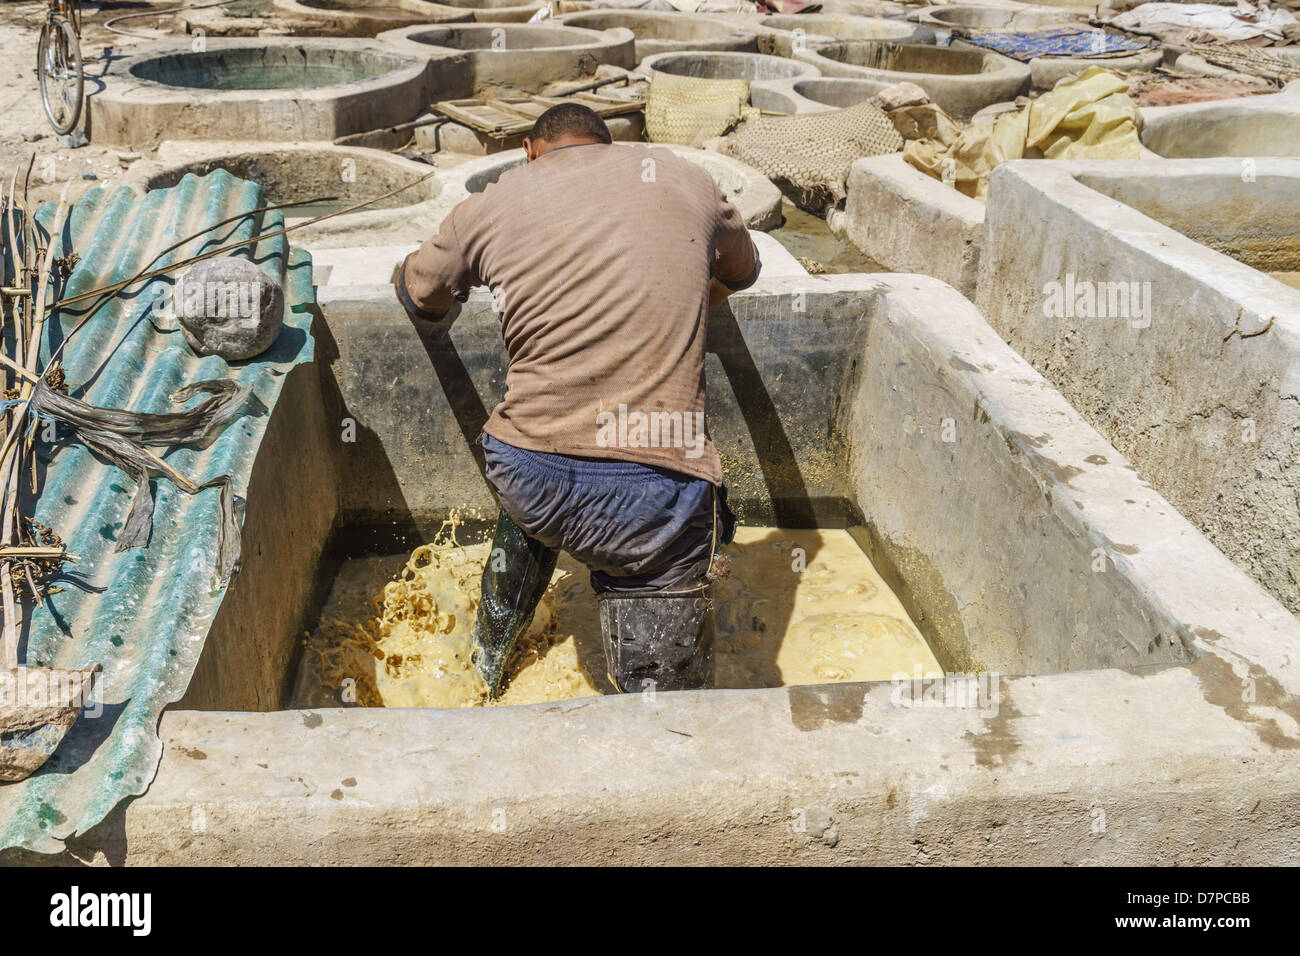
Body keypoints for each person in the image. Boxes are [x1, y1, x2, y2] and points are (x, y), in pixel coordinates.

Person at [394, 102, 761, 697]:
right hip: (657, 492)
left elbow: (422, 297)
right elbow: (743, 271)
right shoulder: (685, 177)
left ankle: (486, 667)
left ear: (532, 151)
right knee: (668, 711)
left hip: (528, 475)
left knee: (535, 458)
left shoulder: (491, 202)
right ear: (608, 146)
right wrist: (689, 297)